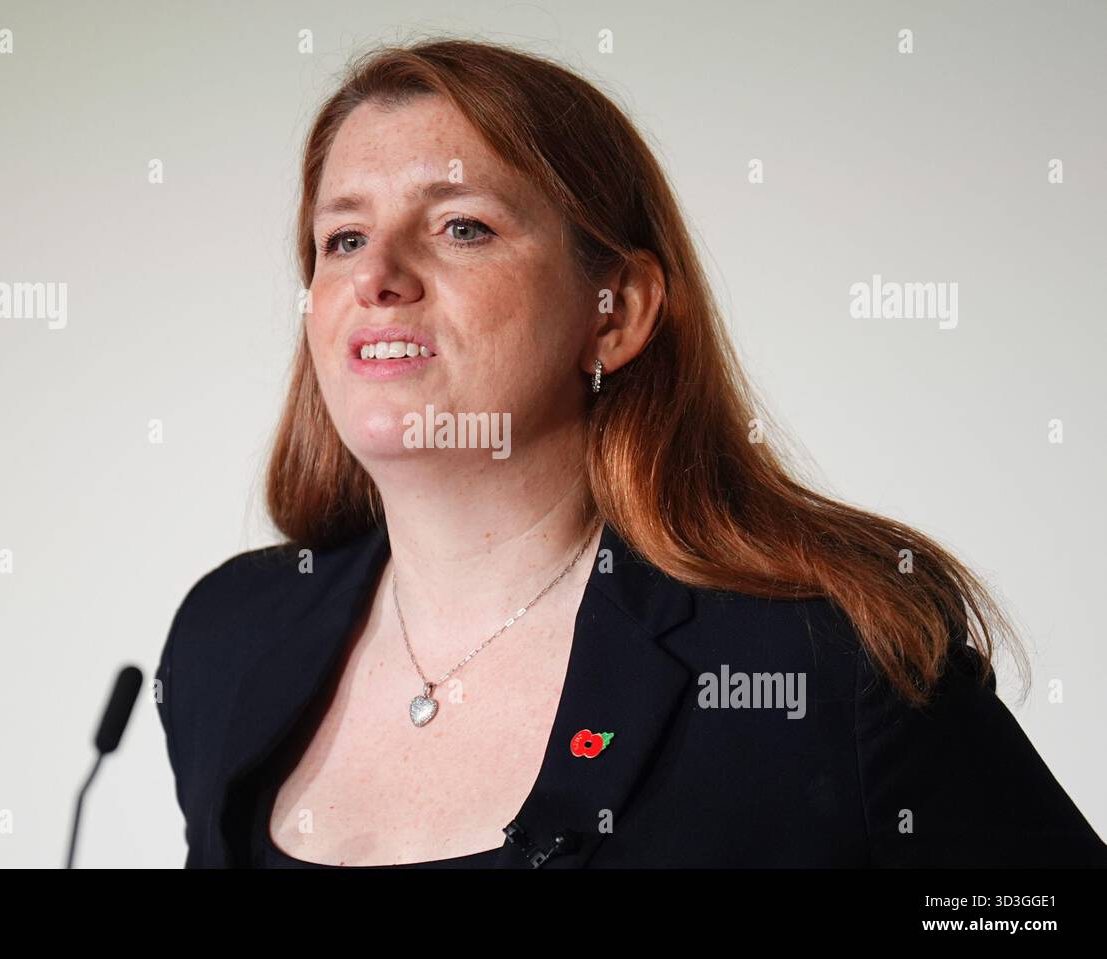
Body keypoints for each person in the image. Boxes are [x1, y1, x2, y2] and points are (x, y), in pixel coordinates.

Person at [154, 37, 1107, 868]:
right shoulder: (226, 640)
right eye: (343, 236)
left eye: (462, 227)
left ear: (619, 312)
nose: (377, 275)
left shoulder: (829, 654)